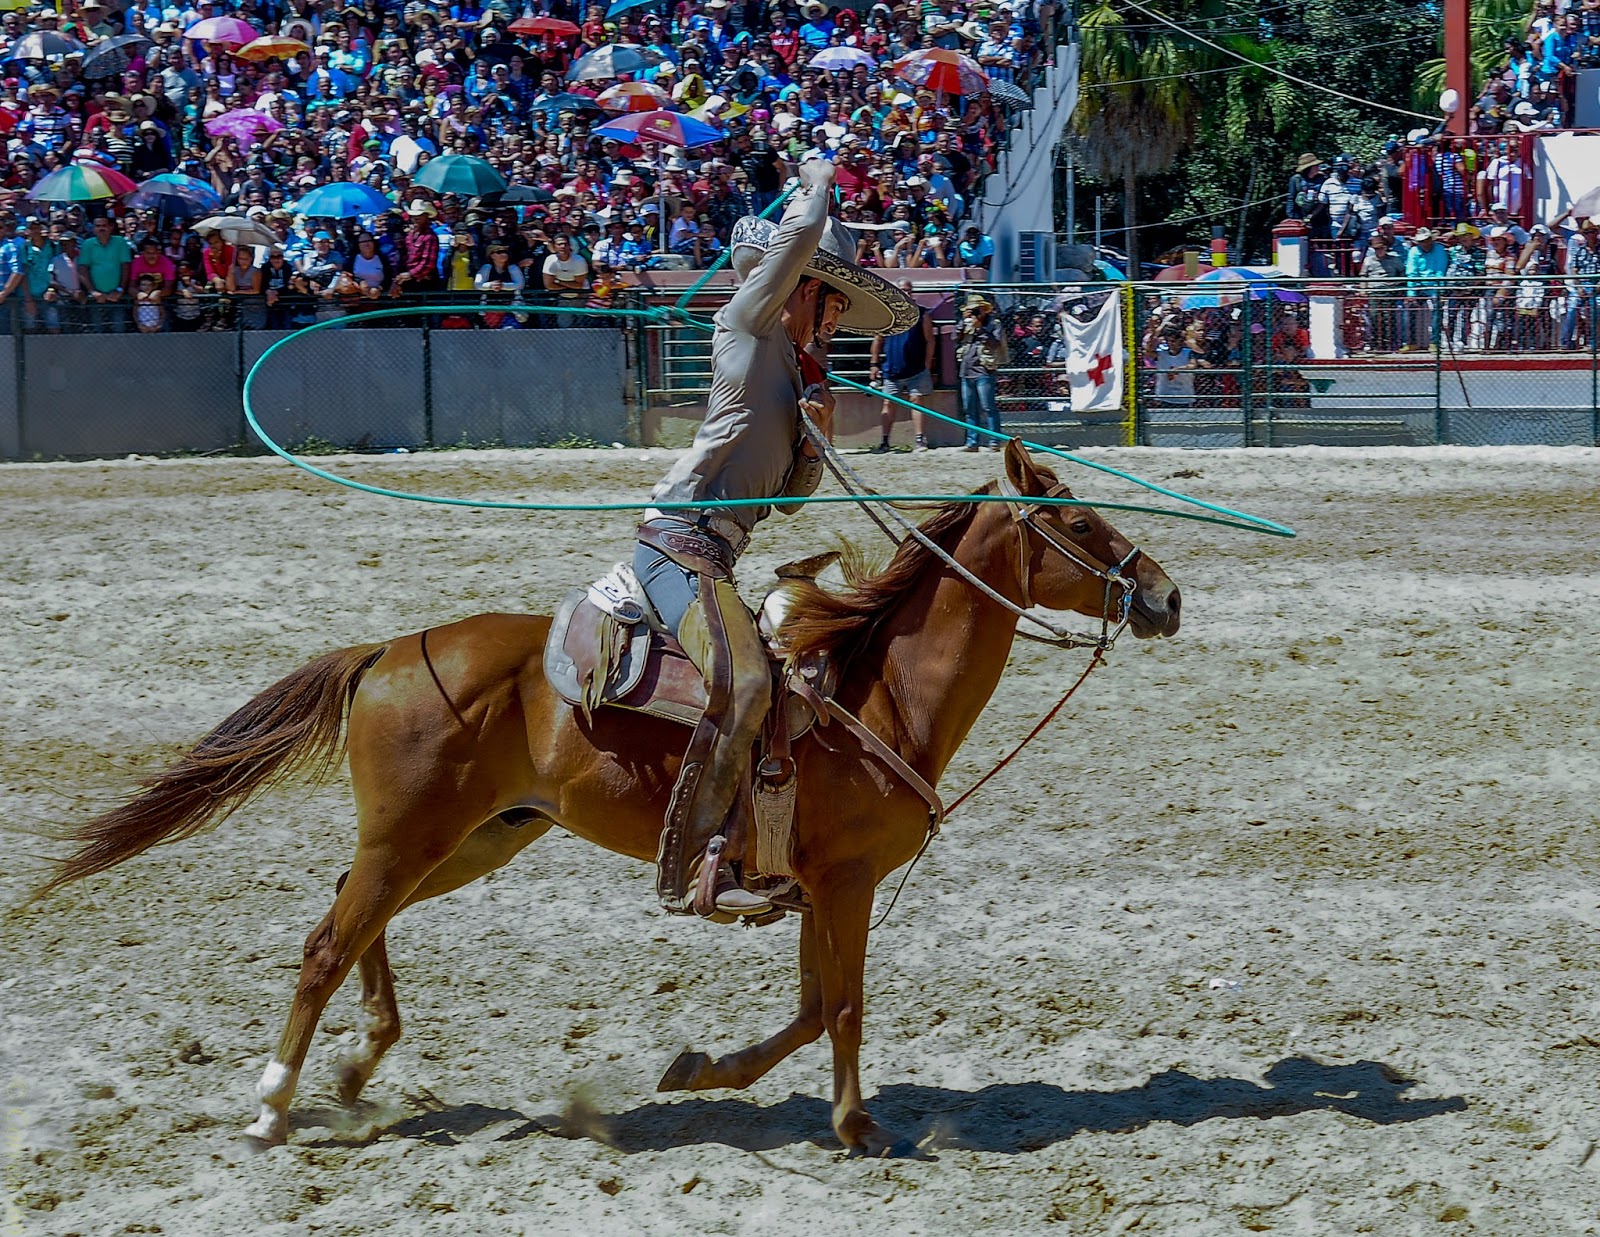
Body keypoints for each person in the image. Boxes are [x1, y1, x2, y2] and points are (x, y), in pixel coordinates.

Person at [635, 157, 917, 920]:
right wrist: (819, 178)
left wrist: (815, 444)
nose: (834, 327)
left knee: (787, 676)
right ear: (801, 290)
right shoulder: (747, 322)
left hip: (716, 551)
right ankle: (699, 862)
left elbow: (787, 505)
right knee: (752, 682)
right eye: (831, 309)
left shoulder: (794, 375)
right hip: (678, 543)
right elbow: (796, 240)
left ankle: (756, 843)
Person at [868, 278, 935, 450]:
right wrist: (874, 364)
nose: (907, 293)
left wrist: (927, 365)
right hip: (892, 369)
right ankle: (884, 440)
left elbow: (930, 341)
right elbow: (878, 339)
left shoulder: (922, 314)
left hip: (917, 369)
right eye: (903, 290)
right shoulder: (888, 314)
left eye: (909, 290)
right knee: (888, 403)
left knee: (917, 400)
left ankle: (920, 439)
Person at [956, 291, 1006, 450]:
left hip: (984, 370)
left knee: (988, 406)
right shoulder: (965, 323)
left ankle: (995, 440)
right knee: (969, 408)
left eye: (978, 310)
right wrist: (964, 324)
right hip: (966, 370)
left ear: (985, 310)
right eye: (973, 310)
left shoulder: (994, 324)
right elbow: (954, 338)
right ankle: (972, 441)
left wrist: (980, 329)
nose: (975, 313)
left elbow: (995, 343)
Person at [78, 215, 133, 333]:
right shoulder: (88, 244)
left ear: (110, 227)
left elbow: (125, 266)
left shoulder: (120, 241)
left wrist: (120, 289)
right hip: (96, 297)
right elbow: (82, 269)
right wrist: (92, 291)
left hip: (117, 297)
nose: (101, 229)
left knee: (119, 329)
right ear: (93, 229)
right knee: (97, 330)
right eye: (98, 226)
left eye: (104, 226)